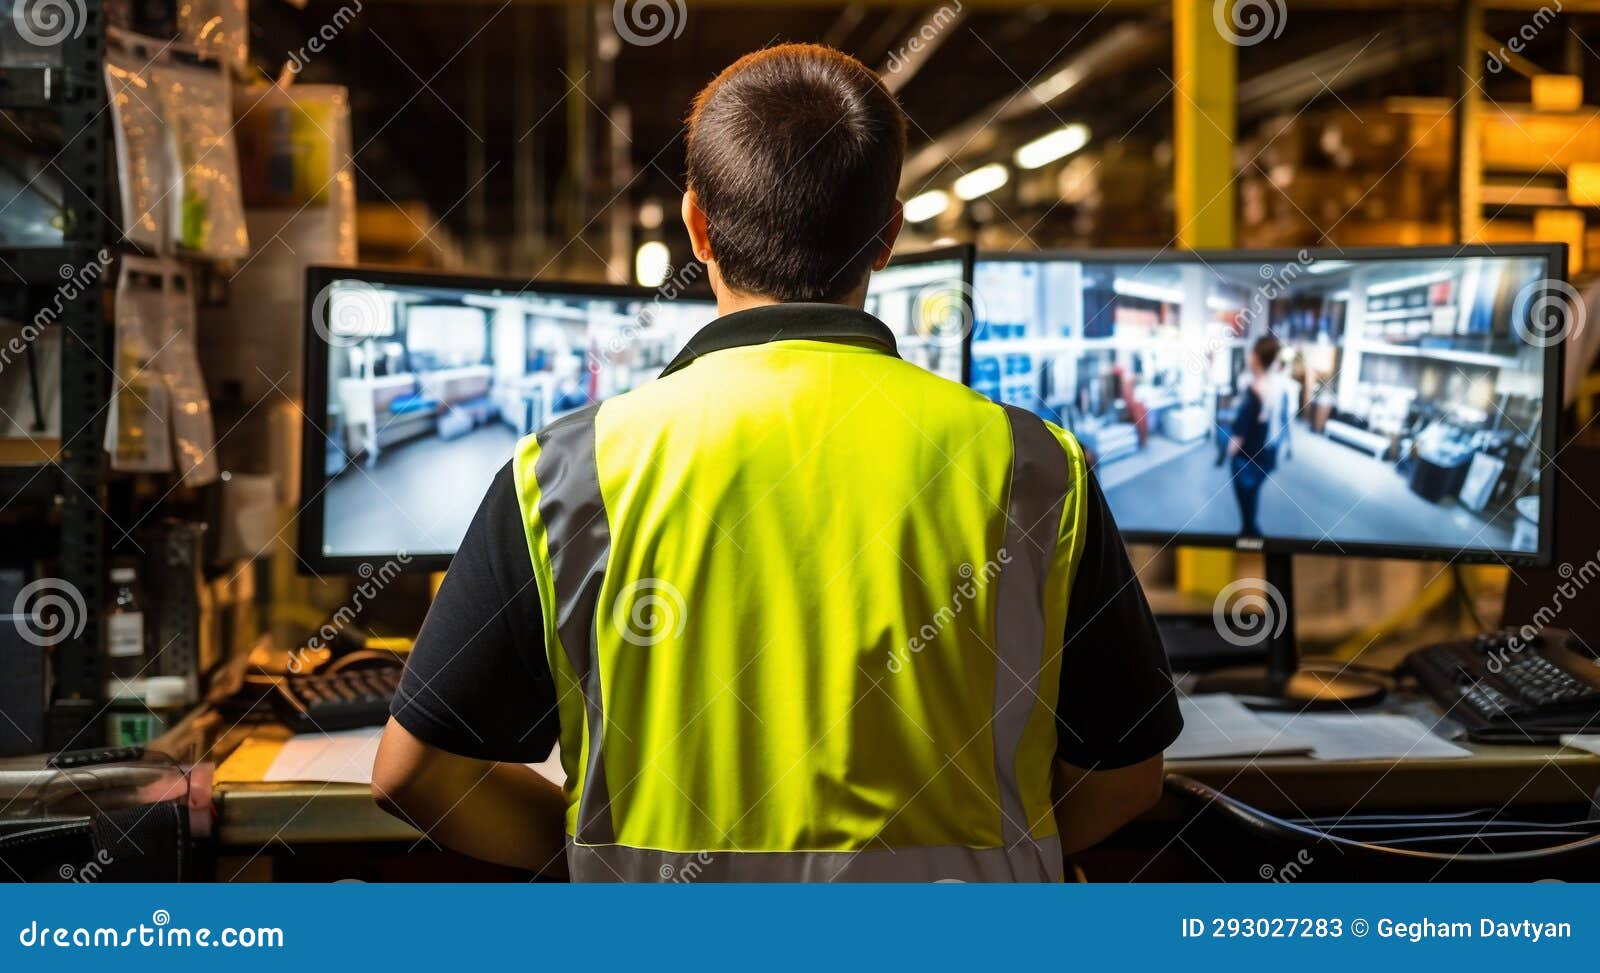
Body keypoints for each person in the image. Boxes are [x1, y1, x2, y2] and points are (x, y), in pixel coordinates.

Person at [372, 43, 1181, 883]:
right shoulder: (1035, 464)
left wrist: (594, 861)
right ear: (886, 237)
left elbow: (416, 773)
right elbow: (1126, 778)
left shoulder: (568, 472)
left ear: (696, 225)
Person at [1228, 336, 1283, 538]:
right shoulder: (1275, 387)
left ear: (1257, 358)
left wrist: (1228, 451)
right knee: (1252, 503)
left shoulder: (1254, 391)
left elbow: (1237, 440)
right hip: (1266, 456)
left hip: (1246, 459)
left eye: (1251, 353)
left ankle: (1250, 536)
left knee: (1247, 516)